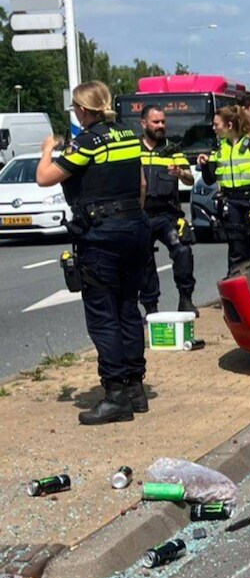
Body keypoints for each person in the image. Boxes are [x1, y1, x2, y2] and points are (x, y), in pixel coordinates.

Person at [36, 81, 150, 424]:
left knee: (103, 315)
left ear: (84, 110)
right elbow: (142, 185)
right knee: (129, 308)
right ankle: (135, 389)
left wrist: (47, 149)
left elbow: (45, 178)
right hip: (135, 229)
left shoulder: (87, 142)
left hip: (102, 237)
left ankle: (115, 395)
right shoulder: (129, 136)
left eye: (75, 109)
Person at [198, 105, 250, 274]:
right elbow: (209, 179)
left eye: (216, 124)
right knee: (235, 248)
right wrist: (205, 165)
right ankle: (235, 283)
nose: (214, 128)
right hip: (231, 203)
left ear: (229, 125)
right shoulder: (219, 147)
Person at [137, 105, 197, 316]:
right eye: (156, 122)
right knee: (142, 260)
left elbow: (190, 180)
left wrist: (180, 172)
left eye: (163, 122)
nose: (161, 126)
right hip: (141, 215)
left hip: (167, 215)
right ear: (144, 123)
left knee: (182, 251)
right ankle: (150, 307)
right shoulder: (134, 149)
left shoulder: (173, 149)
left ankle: (186, 299)